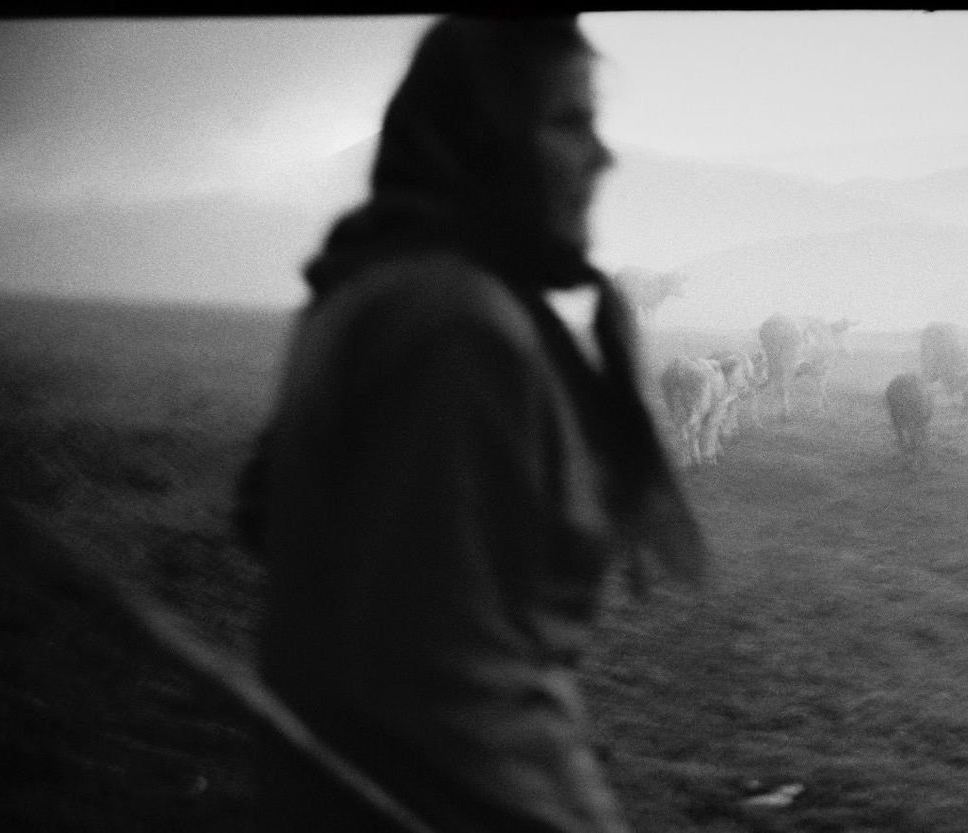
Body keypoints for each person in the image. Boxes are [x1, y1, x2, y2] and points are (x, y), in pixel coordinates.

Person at [235, 15, 711, 833]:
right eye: (570, 123)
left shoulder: (367, 287)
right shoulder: (460, 329)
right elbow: (453, 691)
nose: (603, 158)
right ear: (486, 139)